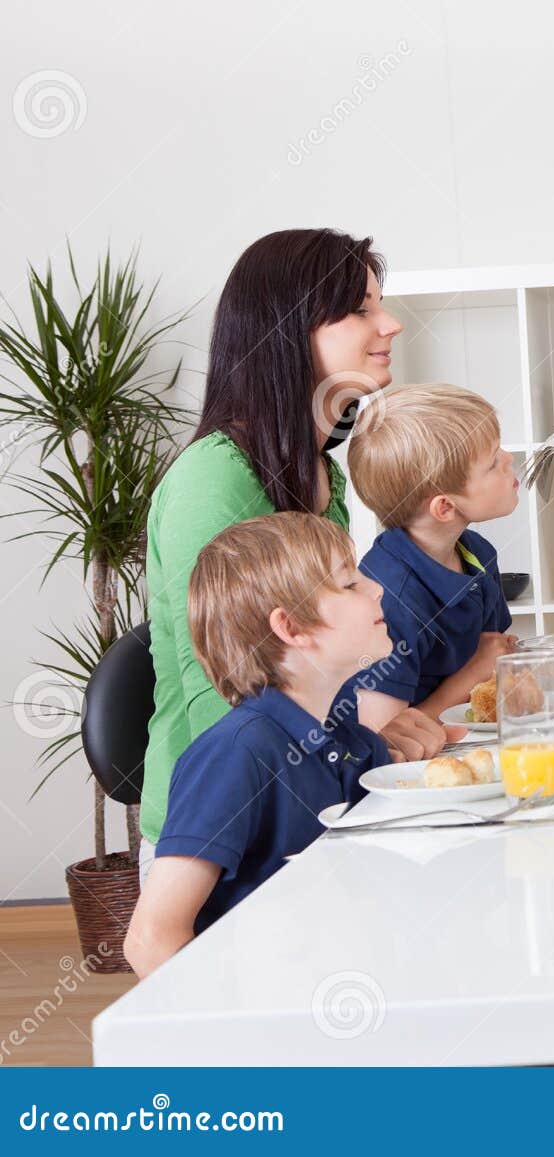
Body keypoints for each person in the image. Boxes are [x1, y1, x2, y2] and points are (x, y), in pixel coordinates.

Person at [140, 230, 448, 882]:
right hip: (224, 836)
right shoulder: (214, 480)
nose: (389, 323)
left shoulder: (319, 474)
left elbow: (316, 659)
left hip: (307, 797)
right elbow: (221, 692)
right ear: (291, 330)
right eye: (361, 308)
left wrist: (372, 738)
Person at [125, 514, 392, 976]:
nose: (376, 589)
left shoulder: (356, 742)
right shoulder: (237, 754)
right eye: (350, 584)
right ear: (292, 628)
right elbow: (150, 940)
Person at [345, 384, 521, 727]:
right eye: (492, 461)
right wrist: (474, 673)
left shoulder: (477, 554)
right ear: (444, 507)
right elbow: (385, 738)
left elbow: (492, 660)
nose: (509, 459)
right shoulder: (388, 599)